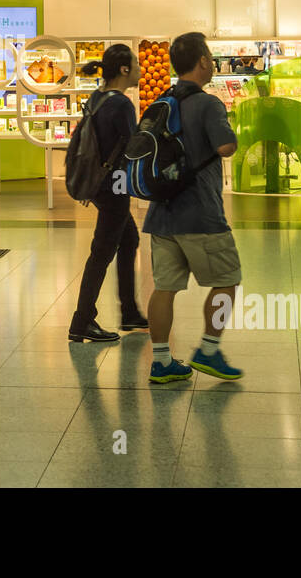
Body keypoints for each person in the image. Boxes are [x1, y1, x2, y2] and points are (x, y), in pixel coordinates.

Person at [143, 33, 244, 384]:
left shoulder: (162, 100)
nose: (213, 62)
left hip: (161, 213)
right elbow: (226, 147)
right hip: (201, 212)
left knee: (164, 288)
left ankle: (161, 362)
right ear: (202, 61)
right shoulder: (208, 103)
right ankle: (209, 349)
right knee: (227, 281)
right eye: (211, 57)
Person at [68, 43, 147, 342]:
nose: (140, 69)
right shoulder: (122, 104)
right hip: (113, 184)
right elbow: (134, 145)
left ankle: (129, 312)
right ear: (124, 69)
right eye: (136, 64)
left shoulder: (99, 96)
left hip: (100, 182)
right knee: (101, 252)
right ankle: (82, 321)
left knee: (129, 240)